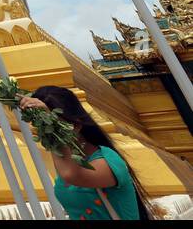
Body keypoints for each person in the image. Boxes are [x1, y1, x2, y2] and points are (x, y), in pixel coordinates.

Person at [19, 86, 149, 220]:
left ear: (76, 125)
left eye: (49, 126)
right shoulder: (67, 161)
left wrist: (50, 124)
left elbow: (71, 175)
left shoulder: (108, 160)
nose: (44, 133)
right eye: (40, 127)